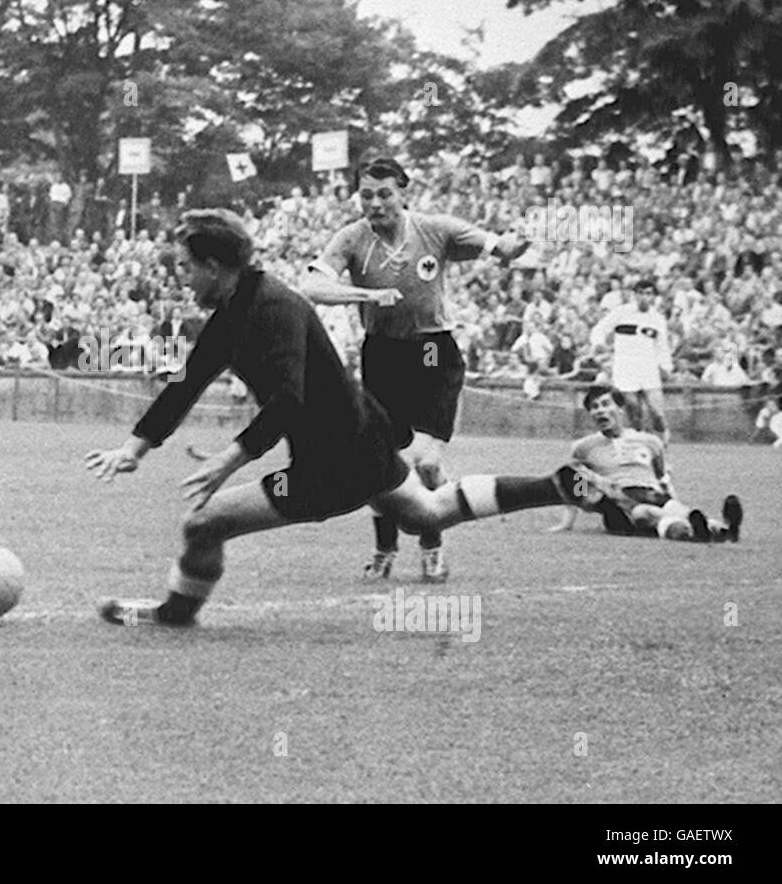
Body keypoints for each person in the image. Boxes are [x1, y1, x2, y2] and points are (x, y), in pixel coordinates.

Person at [84, 209, 598, 627]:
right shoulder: (235, 311)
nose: (179, 275)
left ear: (214, 266)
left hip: (330, 459)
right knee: (426, 511)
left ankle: (176, 613)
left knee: (204, 523)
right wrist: (134, 448)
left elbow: (288, 398)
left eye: (184, 265)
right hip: (361, 436)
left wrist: (229, 459)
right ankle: (554, 486)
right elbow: (188, 382)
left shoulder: (273, 306)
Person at [301, 157, 531, 583]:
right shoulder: (352, 238)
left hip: (430, 350)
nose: (375, 203)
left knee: (423, 460)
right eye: (366, 194)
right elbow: (312, 286)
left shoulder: (434, 229)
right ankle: (385, 547)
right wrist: (365, 296)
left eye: (385, 193)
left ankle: (432, 543)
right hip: (382, 355)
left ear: (403, 192)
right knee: (378, 461)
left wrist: (512, 248)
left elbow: (496, 246)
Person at [549, 385, 742, 542]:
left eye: (605, 404)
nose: (600, 410)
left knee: (672, 509)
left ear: (620, 408)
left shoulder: (650, 442)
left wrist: (675, 500)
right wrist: (568, 521)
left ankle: (724, 530)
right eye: (594, 407)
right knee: (643, 513)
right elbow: (576, 483)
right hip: (620, 498)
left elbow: (663, 478)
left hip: (652, 493)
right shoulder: (583, 448)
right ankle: (706, 529)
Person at [589, 278, 672, 441]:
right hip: (625, 367)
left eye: (648, 294)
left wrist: (666, 367)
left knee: (657, 413)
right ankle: (639, 445)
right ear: (635, 295)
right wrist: (598, 343)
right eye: (640, 293)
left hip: (648, 367)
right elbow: (600, 328)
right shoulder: (622, 312)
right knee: (634, 412)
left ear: (654, 297)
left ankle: (662, 442)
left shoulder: (657, 319)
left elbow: (662, 346)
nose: (644, 297)